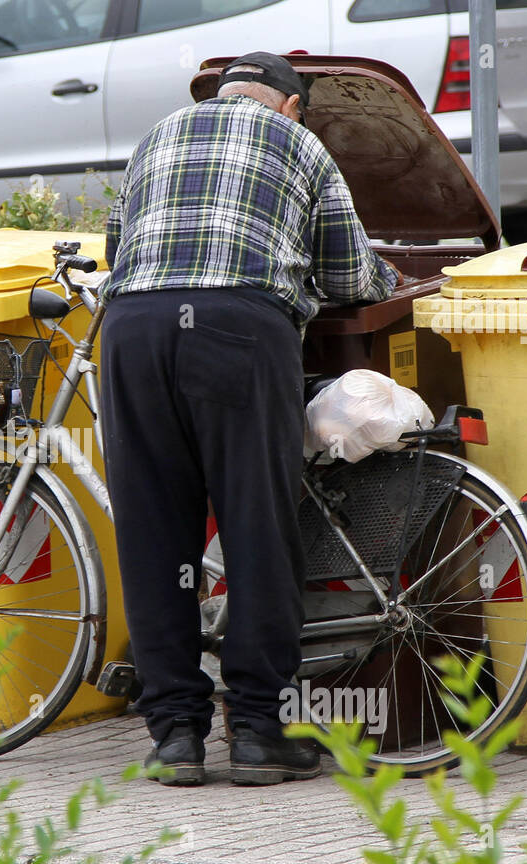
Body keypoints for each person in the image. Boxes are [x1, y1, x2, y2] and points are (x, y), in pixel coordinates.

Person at [98, 51, 399, 786]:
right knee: (256, 523)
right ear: (290, 107)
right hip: (237, 328)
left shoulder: (159, 133)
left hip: (132, 330)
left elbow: (118, 247)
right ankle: (259, 731)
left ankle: (174, 736)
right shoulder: (300, 143)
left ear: (223, 94)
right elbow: (350, 276)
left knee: (155, 531)